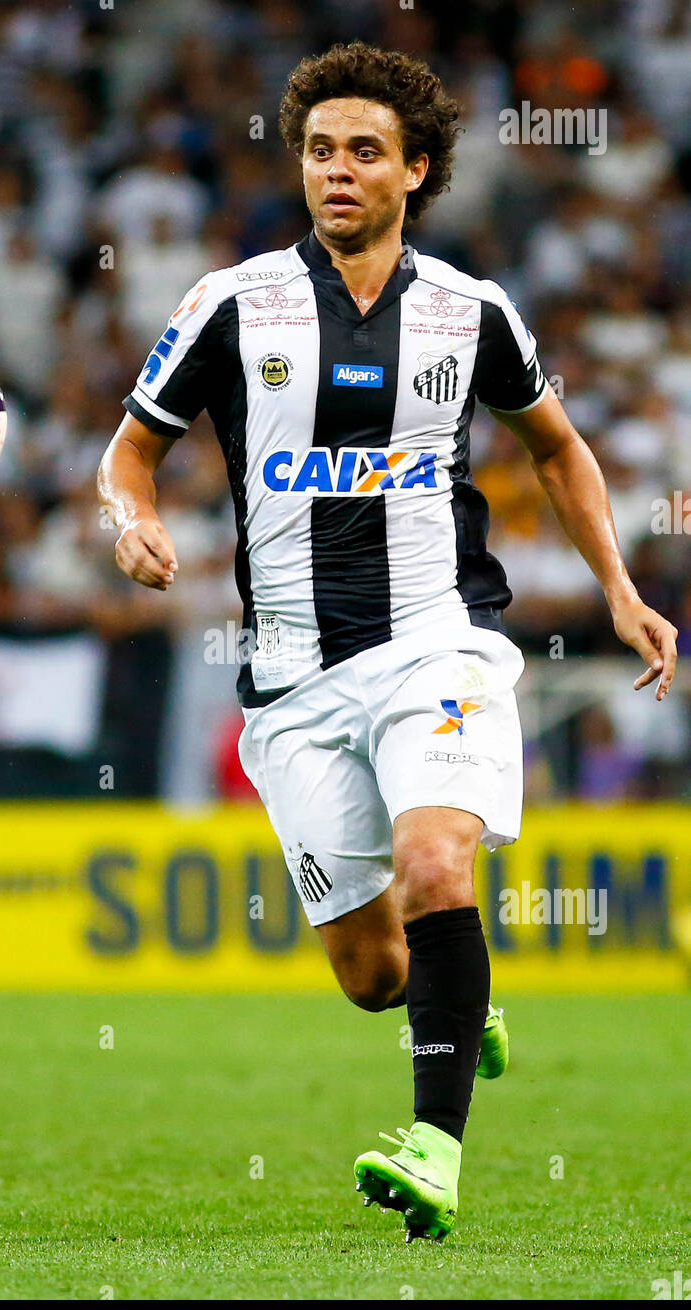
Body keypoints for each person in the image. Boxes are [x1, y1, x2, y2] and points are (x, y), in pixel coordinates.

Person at [97, 42, 678, 1243]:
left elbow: (556, 446)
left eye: (364, 152)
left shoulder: (471, 314)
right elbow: (130, 449)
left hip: (437, 641)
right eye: (318, 151)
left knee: (433, 871)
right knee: (371, 974)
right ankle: (460, 997)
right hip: (291, 681)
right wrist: (130, 519)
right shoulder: (230, 304)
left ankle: (434, 1148)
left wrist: (616, 586)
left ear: (415, 169)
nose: (336, 172)